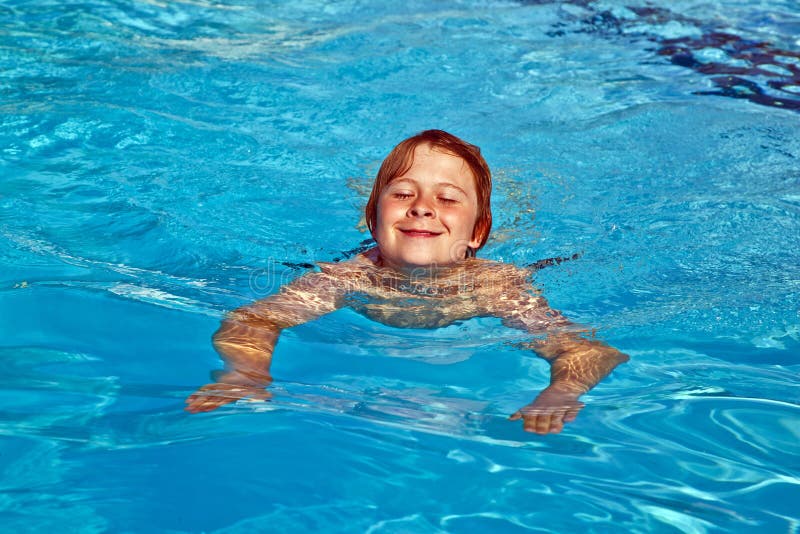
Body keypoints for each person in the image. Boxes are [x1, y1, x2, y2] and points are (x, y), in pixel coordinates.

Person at [185, 129, 629, 435]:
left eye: (447, 199)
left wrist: (560, 392)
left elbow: (588, 350)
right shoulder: (349, 277)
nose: (421, 207)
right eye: (402, 194)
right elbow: (254, 320)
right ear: (374, 222)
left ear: (477, 233)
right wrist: (245, 372)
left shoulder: (495, 288)